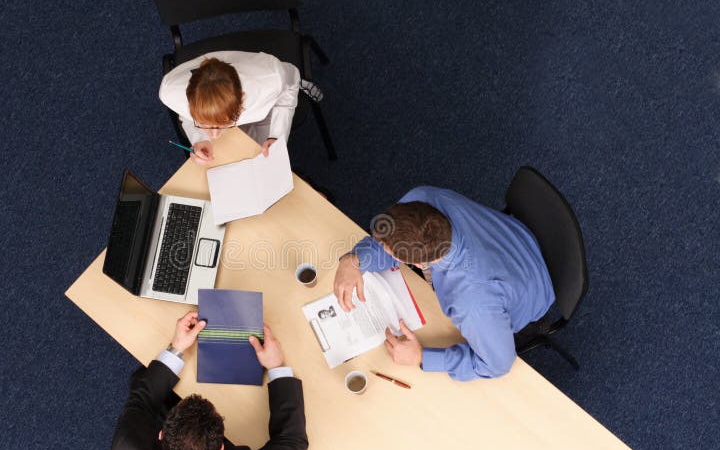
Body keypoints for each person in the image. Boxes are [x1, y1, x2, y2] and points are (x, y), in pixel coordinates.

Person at [333, 186, 555, 381]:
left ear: (420, 264)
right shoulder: (421, 198)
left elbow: (498, 364)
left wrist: (421, 357)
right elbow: (392, 243)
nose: (378, 243)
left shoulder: (472, 302)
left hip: (527, 303)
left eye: (387, 248)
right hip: (512, 242)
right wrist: (353, 261)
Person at [109, 311, 308, 450]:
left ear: (161, 434)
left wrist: (177, 347)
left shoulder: (126, 449)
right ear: (221, 448)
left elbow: (141, 398)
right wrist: (277, 366)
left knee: (140, 379)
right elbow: (292, 443)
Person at [159, 50, 300, 164]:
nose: (214, 136)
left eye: (221, 125)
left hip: (263, 104)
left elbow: (291, 82)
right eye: (202, 122)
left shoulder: (271, 80)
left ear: (242, 98)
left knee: (265, 162)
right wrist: (199, 138)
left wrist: (276, 135)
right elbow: (185, 114)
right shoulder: (170, 93)